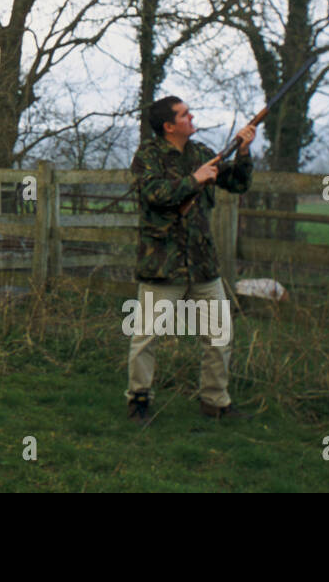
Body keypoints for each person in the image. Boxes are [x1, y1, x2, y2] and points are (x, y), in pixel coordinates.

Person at [126, 96, 256, 425]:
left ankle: (216, 402)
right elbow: (154, 195)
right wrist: (194, 180)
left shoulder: (200, 152)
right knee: (145, 338)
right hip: (162, 263)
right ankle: (138, 399)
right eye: (185, 114)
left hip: (201, 262)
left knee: (218, 335)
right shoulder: (148, 156)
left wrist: (243, 151)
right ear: (169, 126)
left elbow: (238, 183)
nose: (191, 116)